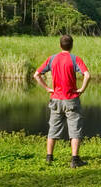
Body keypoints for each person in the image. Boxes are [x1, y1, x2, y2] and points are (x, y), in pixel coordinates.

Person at [34, 34, 91, 166]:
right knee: (75, 129)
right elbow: (87, 75)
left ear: (60, 45)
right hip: (71, 99)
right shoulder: (75, 59)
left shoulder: (52, 59)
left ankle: (49, 158)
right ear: (71, 45)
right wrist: (82, 89)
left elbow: (36, 74)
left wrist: (47, 88)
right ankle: (75, 160)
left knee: (53, 128)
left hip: (56, 99)